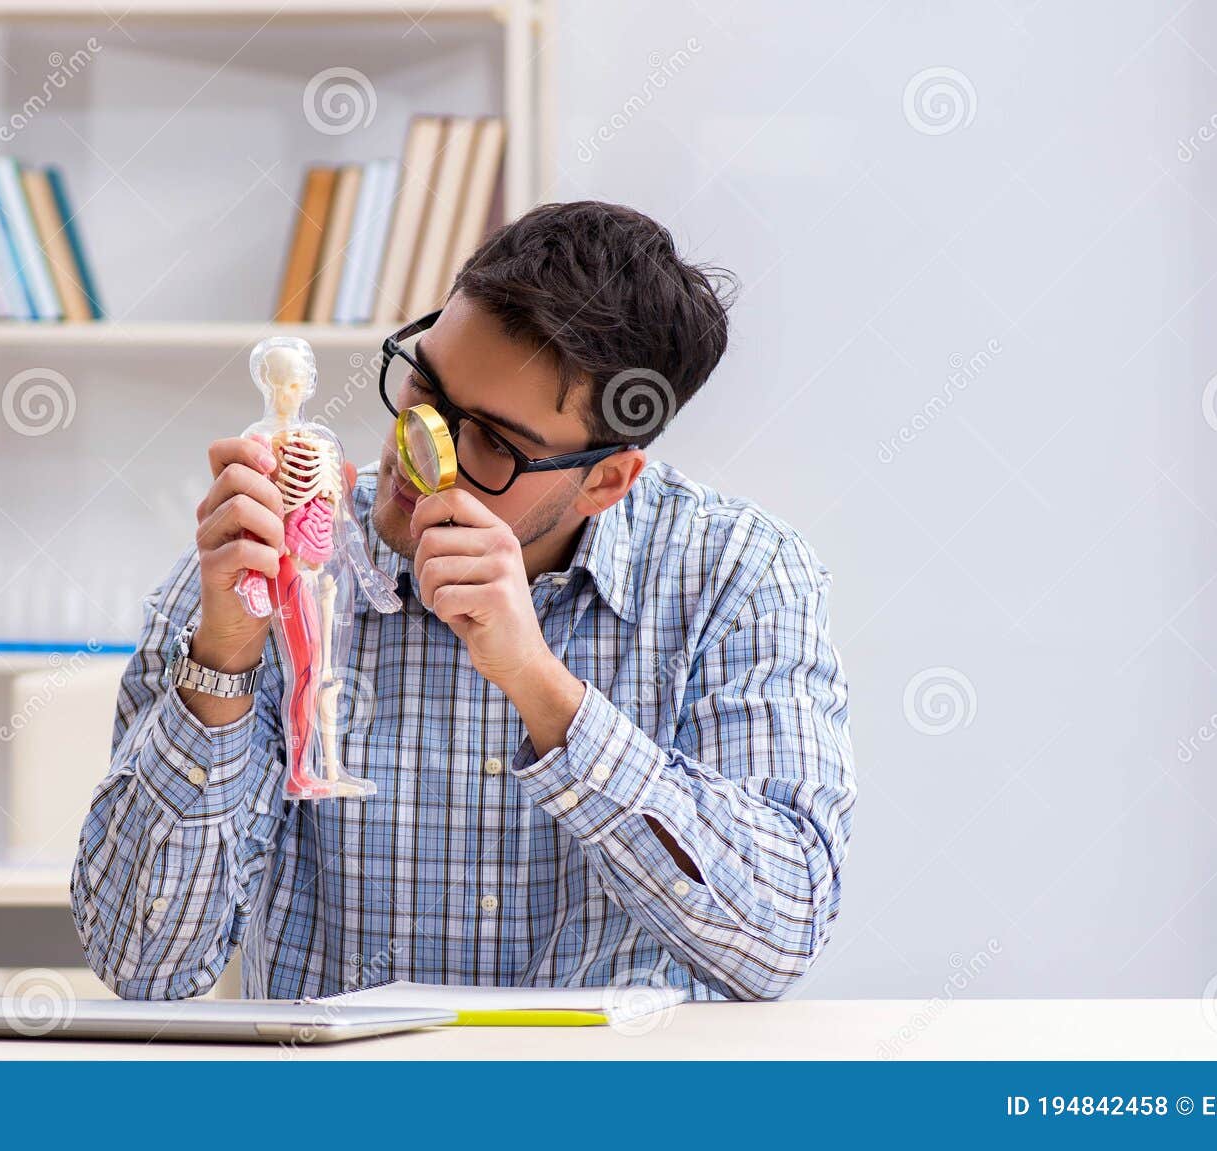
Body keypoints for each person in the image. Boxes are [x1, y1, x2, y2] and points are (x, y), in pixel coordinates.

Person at [71, 201, 856, 1002]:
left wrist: (544, 690)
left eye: (490, 440)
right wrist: (225, 658)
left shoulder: (740, 575)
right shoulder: (266, 557)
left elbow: (777, 937)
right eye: (426, 387)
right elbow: (144, 964)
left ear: (606, 480)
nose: (419, 447)